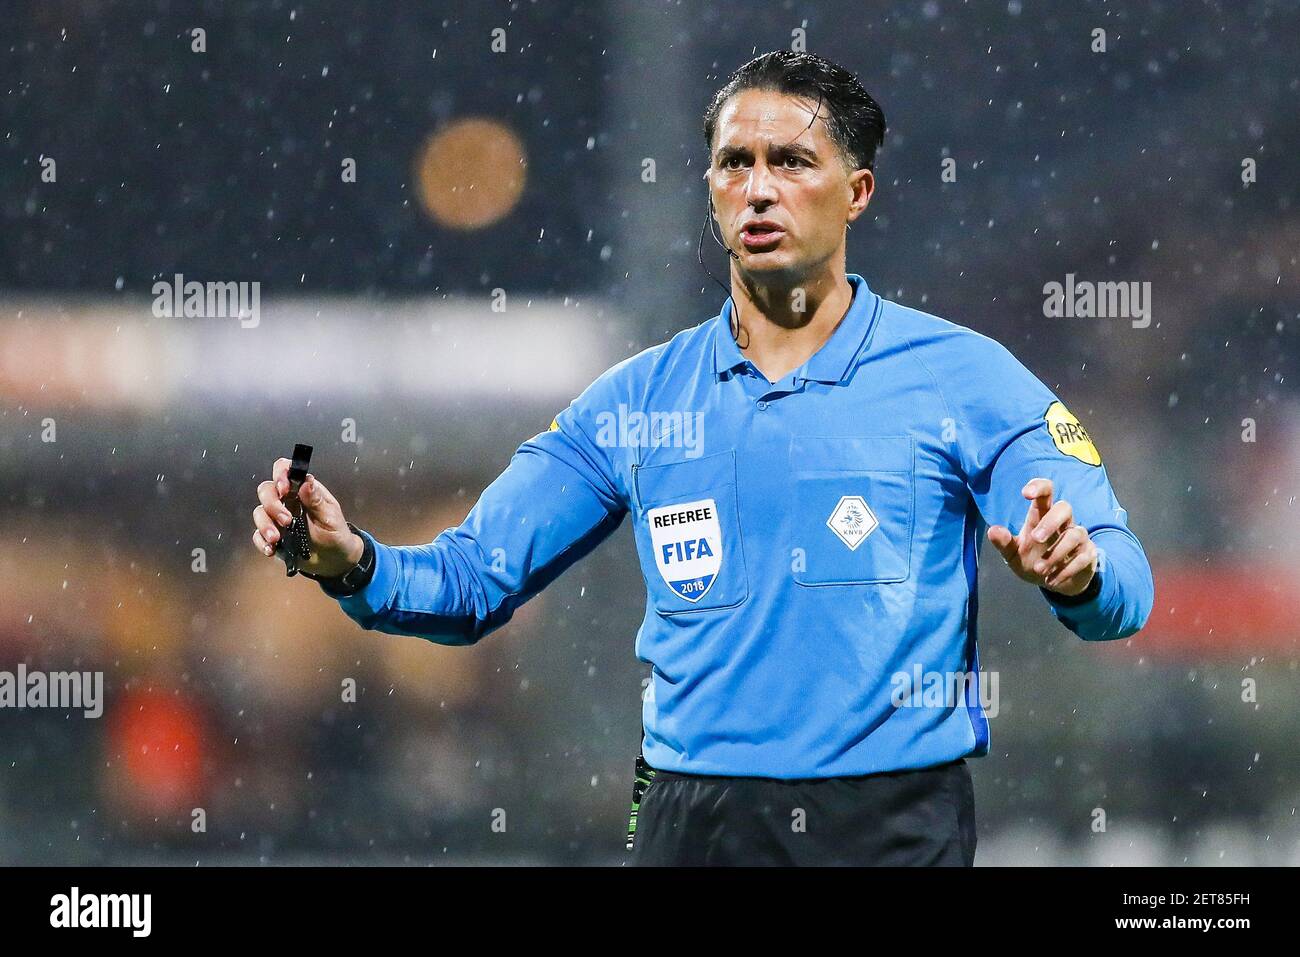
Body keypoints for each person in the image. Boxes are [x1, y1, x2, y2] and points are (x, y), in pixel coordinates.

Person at [250, 50, 1154, 866]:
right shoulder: (636, 403)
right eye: (735, 163)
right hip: (692, 821)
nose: (758, 188)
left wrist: (1078, 575)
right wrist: (353, 562)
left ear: (858, 191)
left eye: (792, 162)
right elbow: (474, 577)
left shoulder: (964, 377)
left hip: (891, 823)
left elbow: (1126, 583)